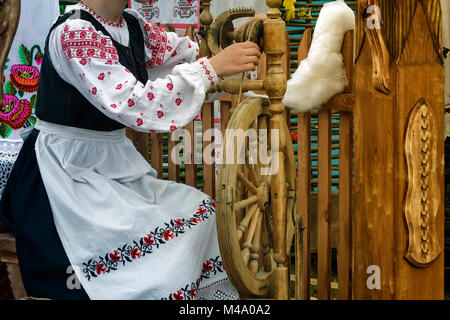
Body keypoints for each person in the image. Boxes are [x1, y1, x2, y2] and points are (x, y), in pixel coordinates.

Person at [0, 0, 262, 300]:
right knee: (125, 258)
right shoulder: (75, 32)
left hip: (114, 166)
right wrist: (211, 69)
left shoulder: (132, 26)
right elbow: (135, 101)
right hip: (65, 176)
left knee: (200, 212)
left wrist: (238, 37)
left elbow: (191, 53)